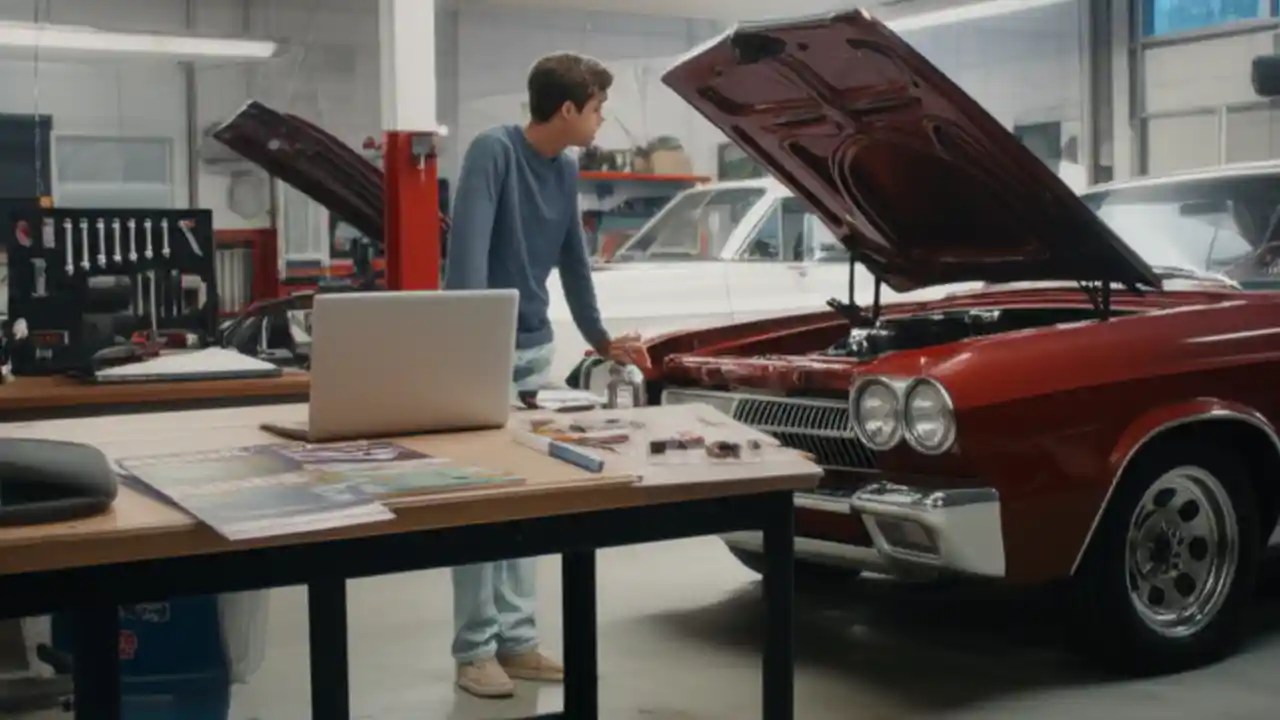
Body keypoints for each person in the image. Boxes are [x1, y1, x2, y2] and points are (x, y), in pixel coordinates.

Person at [442, 51, 641, 699]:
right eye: (597, 110)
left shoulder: (566, 169)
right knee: (478, 507)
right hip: (481, 353)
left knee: (523, 504)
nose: (600, 122)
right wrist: (470, 354)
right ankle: (474, 651)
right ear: (567, 109)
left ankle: (518, 641)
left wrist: (603, 341)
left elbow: (574, 265)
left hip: (531, 356)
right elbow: (466, 261)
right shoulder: (491, 153)